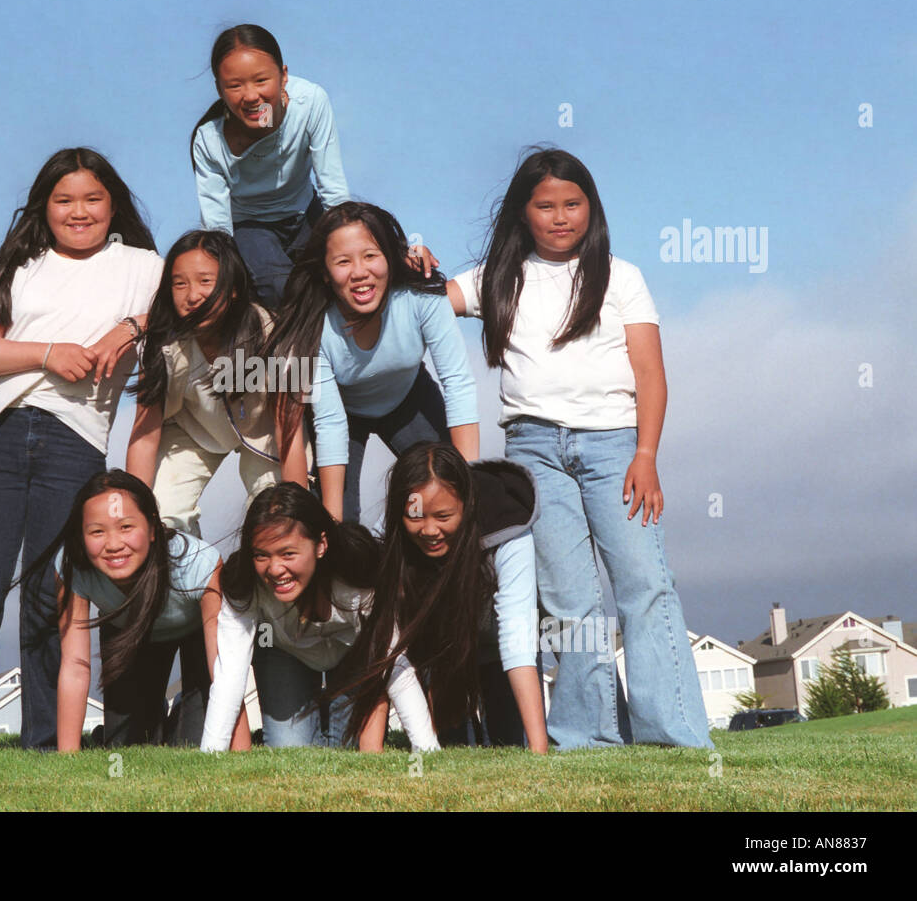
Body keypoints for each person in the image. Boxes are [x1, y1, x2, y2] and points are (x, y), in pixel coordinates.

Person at [446, 147, 712, 749]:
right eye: (545, 206)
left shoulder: (622, 276)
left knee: (644, 583)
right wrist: (414, 263)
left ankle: (671, 733)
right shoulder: (494, 276)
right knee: (569, 599)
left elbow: (651, 375)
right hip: (532, 450)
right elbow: (425, 303)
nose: (561, 216)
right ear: (523, 213)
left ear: (591, 207)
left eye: (573, 204)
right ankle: (589, 737)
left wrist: (646, 455)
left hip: (617, 446)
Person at [0, 148, 162, 757]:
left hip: (77, 439)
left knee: (52, 591)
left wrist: (126, 330)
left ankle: (45, 741)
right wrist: (47, 352)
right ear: (43, 207)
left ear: (113, 203)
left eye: (92, 199)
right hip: (2, 433)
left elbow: (188, 308)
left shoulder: (143, 265)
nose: (78, 212)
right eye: (63, 200)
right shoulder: (19, 266)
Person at [267, 201, 479, 524]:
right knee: (337, 519)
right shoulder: (316, 329)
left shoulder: (422, 294)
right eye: (343, 262)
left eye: (370, 256)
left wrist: (470, 483)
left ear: (390, 259)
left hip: (409, 398)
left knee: (448, 494)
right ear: (325, 273)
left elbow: (458, 382)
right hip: (346, 415)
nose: (360, 272)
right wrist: (333, 526)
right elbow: (331, 423)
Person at [336, 444, 548, 751]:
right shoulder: (392, 540)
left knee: (509, 742)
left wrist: (538, 749)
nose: (430, 530)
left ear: (467, 504)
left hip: (497, 648)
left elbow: (517, 636)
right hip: (438, 653)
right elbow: (385, 645)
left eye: (444, 515)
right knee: (450, 745)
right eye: (416, 517)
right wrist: (372, 752)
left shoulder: (509, 531)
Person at [201, 482, 438, 751]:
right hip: (284, 653)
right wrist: (212, 756)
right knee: (290, 754)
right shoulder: (245, 582)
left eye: (288, 553)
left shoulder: (357, 573)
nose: (275, 569)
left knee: (345, 752)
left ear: (321, 545)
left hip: (353, 654)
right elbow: (229, 676)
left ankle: (358, 707)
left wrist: (426, 750)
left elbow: (395, 663)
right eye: (261, 555)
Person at [23, 471, 224, 749]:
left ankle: (181, 709)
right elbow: (75, 665)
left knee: (198, 746)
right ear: (81, 536)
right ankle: (143, 721)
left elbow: (223, 668)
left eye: (126, 527)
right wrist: (67, 759)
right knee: (127, 749)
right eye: (97, 531)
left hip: (198, 636)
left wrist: (239, 755)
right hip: (129, 635)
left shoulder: (199, 563)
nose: (114, 544)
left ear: (153, 528)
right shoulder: (72, 567)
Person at [126, 230, 281, 537]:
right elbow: (144, 434)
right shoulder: (162, 342)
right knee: (159, 515)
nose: (192, 294)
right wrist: (136, 511)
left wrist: (297, 506)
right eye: (179, 283)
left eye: (205, 281)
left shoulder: (267, 331)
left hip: (264, 433)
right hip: (193, 430)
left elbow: (288, 426)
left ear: (233, 287)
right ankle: (194, 579)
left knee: (276, 516)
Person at [189, 24, 349, 311]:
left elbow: (333, 190)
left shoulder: (310, 102)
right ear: (219, 89)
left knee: (344, 272)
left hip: (304, 212)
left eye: (261, 80)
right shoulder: (208, 141)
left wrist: (358, 243)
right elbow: (217, 228)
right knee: (280, 288)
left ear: (283, 76)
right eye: (235, 86)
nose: (251, 96)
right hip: (250, 226)